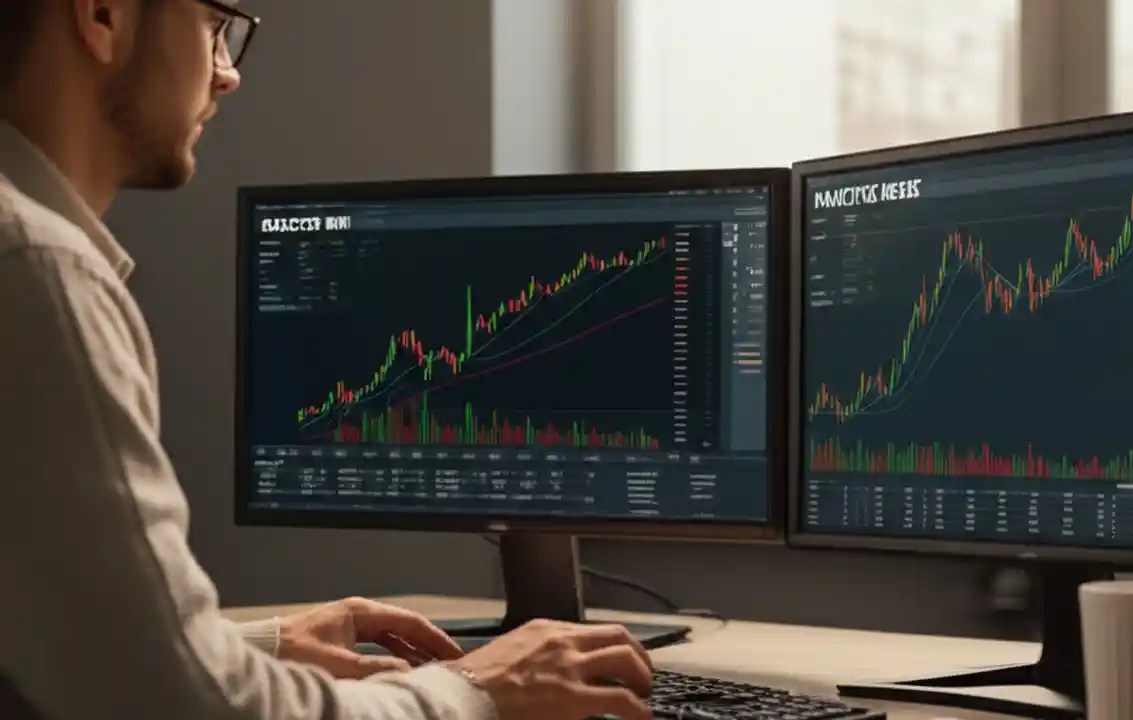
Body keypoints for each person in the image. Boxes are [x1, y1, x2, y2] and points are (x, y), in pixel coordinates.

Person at [0, 1, 654, 718]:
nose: (227, 76)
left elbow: (89, 657)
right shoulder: (38, 273)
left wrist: (262, 646)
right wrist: (476, 692)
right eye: (215, 25)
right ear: (103, 14)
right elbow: (188, 709)